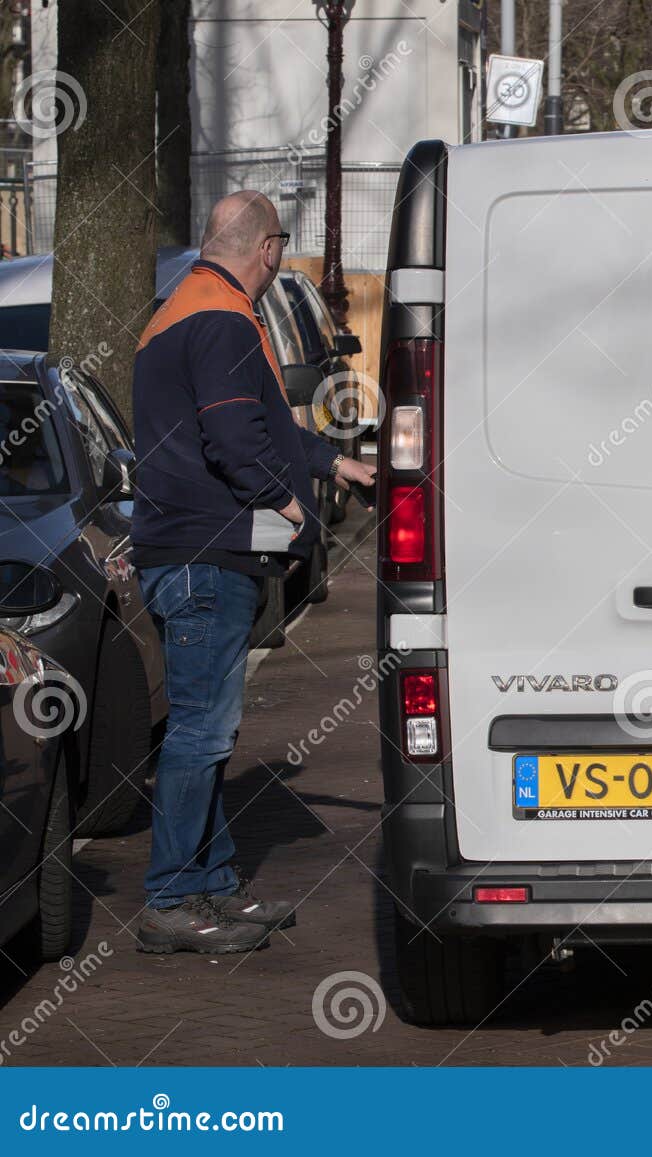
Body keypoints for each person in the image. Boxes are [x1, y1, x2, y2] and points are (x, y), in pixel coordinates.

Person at [129, 190, 376, 953]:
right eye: (279, 248)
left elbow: (257, 423)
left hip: (185, 553)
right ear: (267, 248)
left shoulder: (186, 308)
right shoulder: (225, 319)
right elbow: (237, 435)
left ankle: (213, 884)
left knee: (208, 727)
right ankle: (172, 898)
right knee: (200, 733)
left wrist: (332, 462)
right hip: (208, 556)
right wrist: (291, 507)